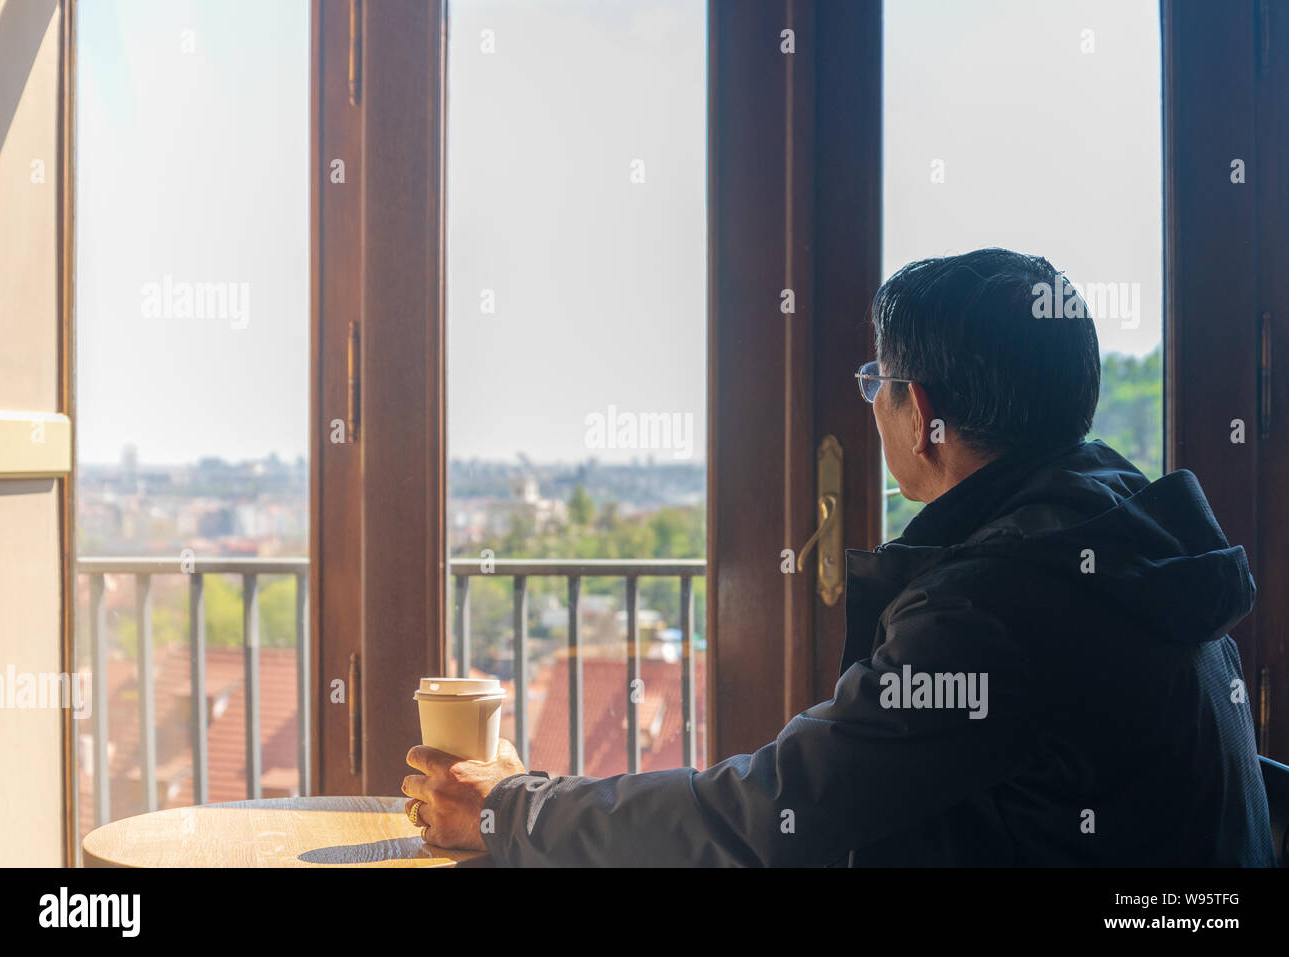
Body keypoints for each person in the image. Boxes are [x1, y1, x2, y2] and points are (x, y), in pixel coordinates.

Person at [402, 248, 1277, 867]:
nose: (873, 405)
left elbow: (775, 812)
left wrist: (516, 810)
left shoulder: (998, 606)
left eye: (876, 383)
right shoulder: (1127, 538)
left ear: (919, 409)